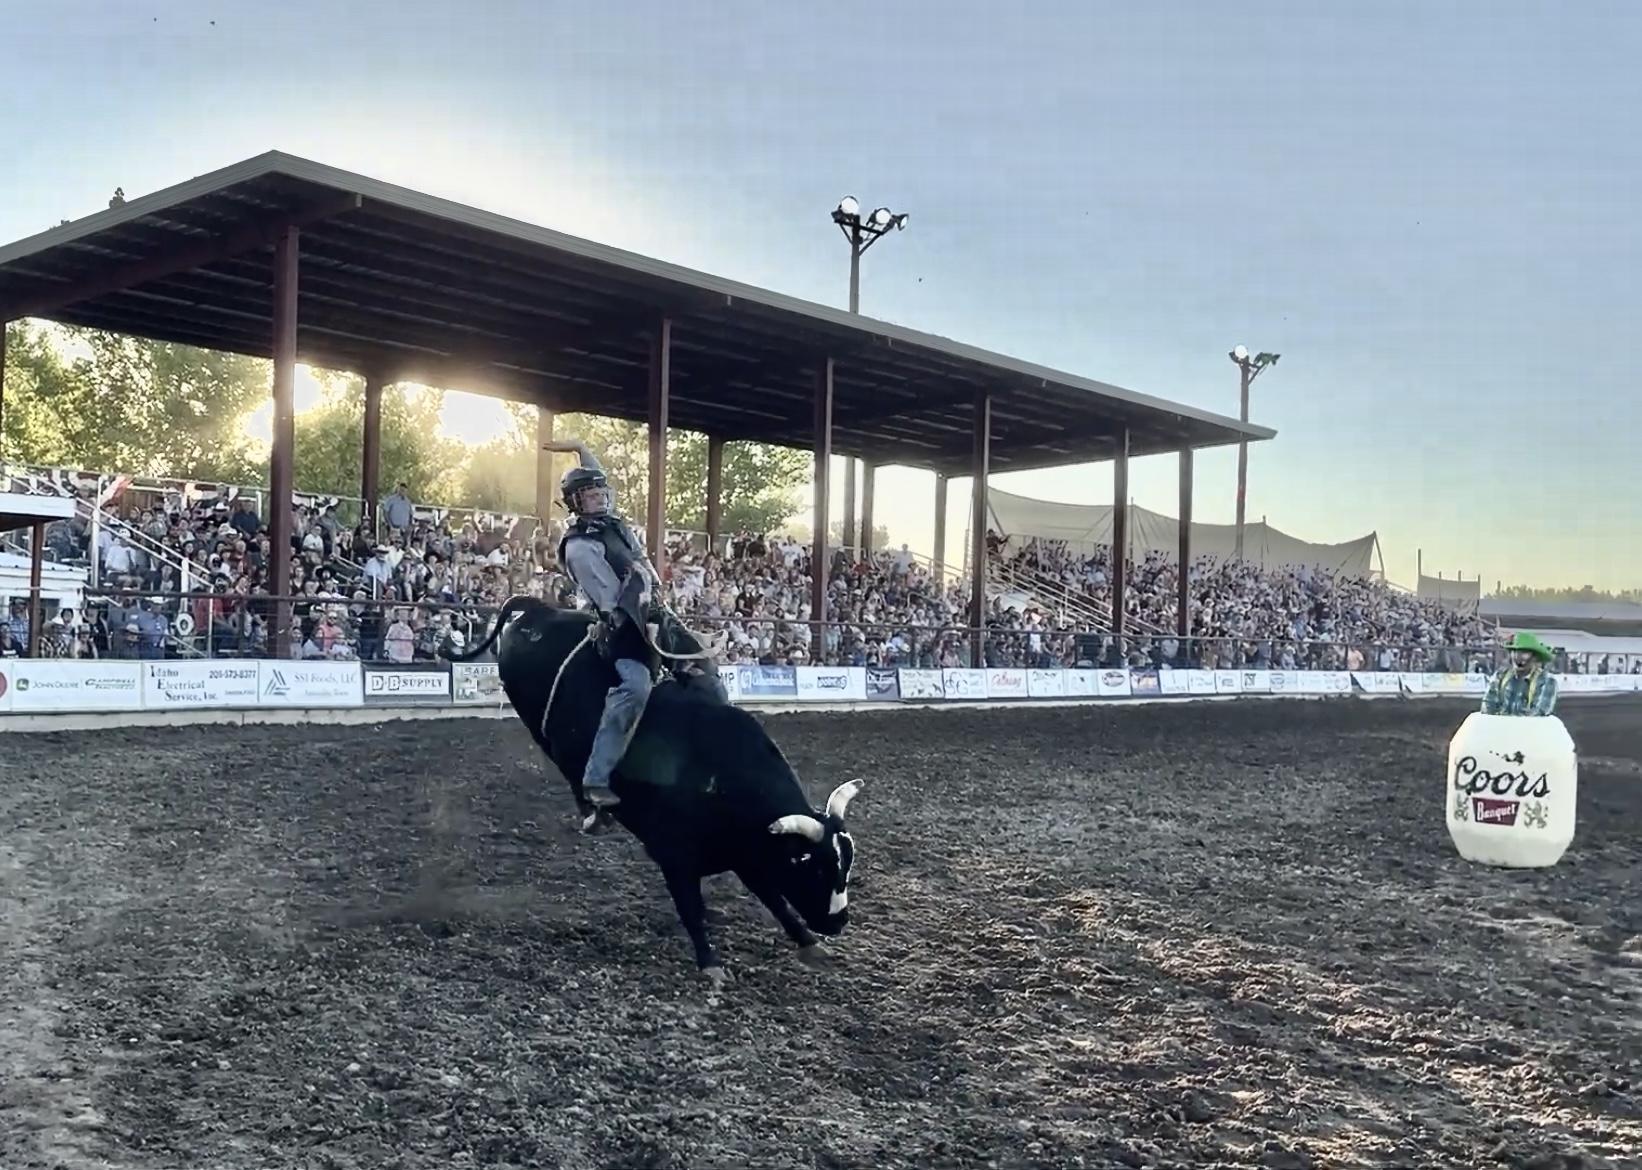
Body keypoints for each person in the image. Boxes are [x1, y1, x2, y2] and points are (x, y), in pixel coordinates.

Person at [543, 437, 662, 809]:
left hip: (649, 605)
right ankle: (597, 776)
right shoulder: (581, 547)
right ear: (576, 502)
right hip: (618, 622)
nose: (598, 496)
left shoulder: (610, 523)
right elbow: (614, 604)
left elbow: (595, 471)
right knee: (636, 686)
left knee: (701, 665)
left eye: (600, 491)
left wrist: (579, 447)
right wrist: (649, 624)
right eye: (589, 494)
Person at [1481, 632, 1559, 716]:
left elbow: (1539, 713)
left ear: (1535, 657)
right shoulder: (1500, 676)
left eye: (1524, 652)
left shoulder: (1546, 681)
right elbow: (1487, 707)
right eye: (1514, 652)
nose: (1517, 657)